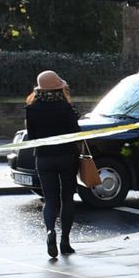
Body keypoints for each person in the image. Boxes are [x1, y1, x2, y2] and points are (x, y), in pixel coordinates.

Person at [26, 70, 82, 259]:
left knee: (50, 200)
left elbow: (32, 137)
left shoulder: (31, 109)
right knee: (67, 199)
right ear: (59, 88)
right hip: (67, 156)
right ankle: (65, 242)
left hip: (43, 157)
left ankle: (50, 231)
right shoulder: (67, 108)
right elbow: (76, 133)